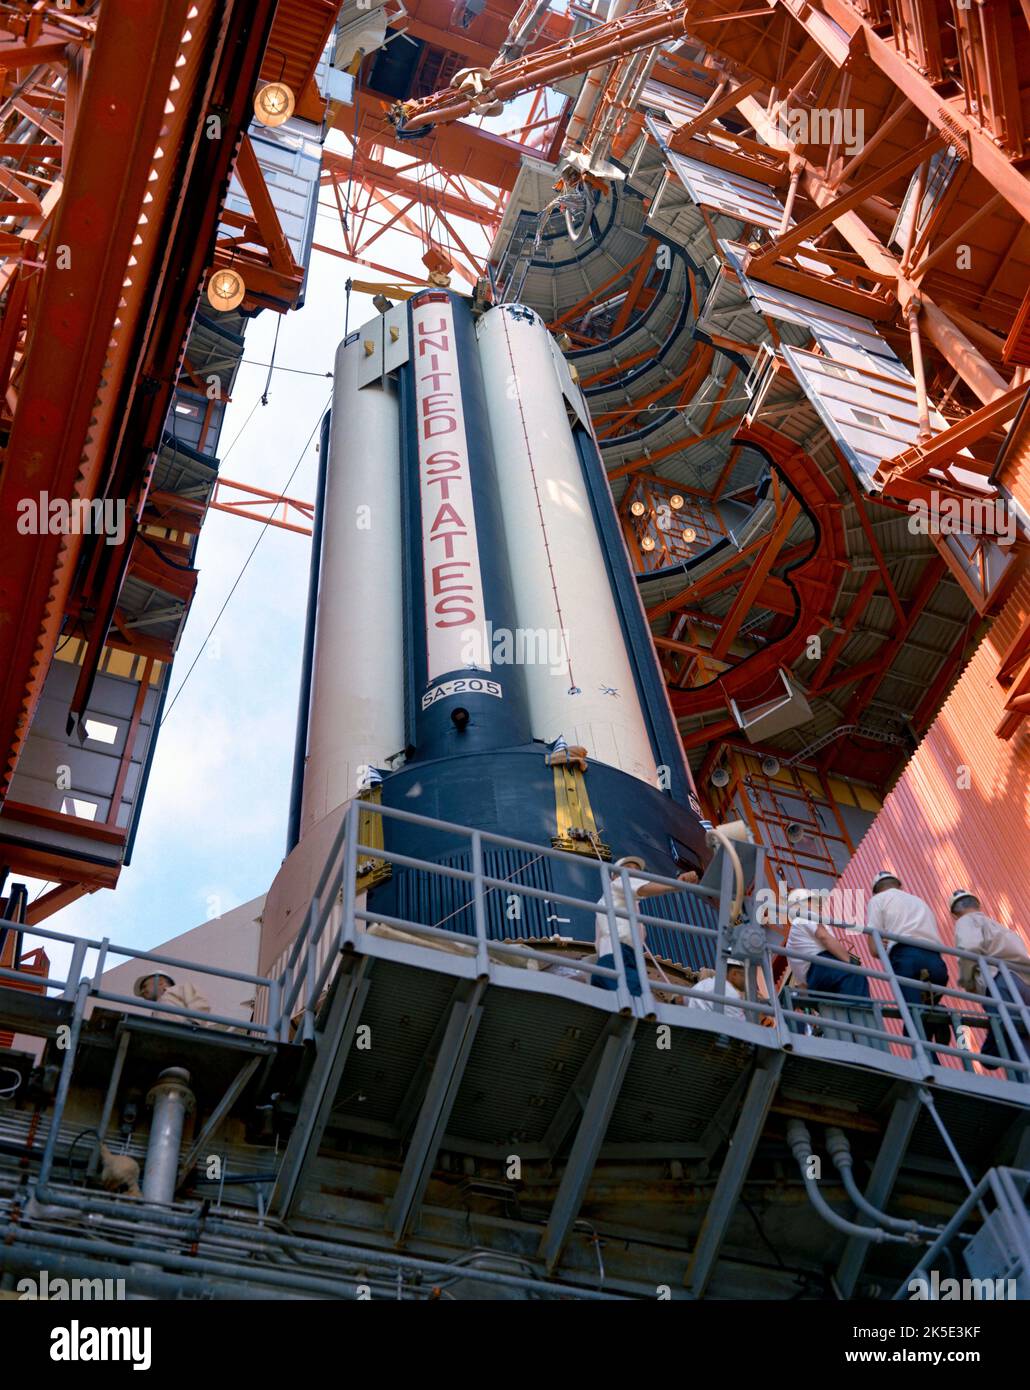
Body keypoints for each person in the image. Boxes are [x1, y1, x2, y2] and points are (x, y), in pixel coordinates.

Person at [591, 855, 697, 997]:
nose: (633, 872)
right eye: (628, 868)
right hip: (618, 952)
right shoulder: (618, 883)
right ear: (615, 876)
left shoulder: (620, 906)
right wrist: (677, 884)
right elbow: (643, 889)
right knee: (636, 994)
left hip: (618, 955)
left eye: (637, 870)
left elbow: (598, 940)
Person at [866, 871, 950, 1049]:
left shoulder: (878, 901)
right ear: (899, 885)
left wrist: (884, 945)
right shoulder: (920, 902)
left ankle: (929, 1066)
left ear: (876, 891)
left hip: (906, 957)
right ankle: (938, 1012)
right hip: (936, 961)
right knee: (923, 1013)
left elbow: (874, 948)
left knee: (913, 1024)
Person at [949, 890, 1030, 1063]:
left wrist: (966, 980)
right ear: (978, 905)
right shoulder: (1000, 927)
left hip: (1001, 981)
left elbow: (969, 948)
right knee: (1023, 1031)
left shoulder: (965, 921)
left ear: (954, 915)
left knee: (1009, 1029)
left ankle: (991, 1055)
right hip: (1025, 982)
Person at [785, 886, 870, 998]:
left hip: (814, 985)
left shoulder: (790, 945)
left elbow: (801, 985)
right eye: (814, 901)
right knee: (855, 976)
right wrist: (850, 962)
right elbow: (823, 936)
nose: (819, 906)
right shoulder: (803, 916)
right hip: (824, 966)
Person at [133, 971, 212, 1022]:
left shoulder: (181, 988)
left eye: (144, 986)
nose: (142, 992)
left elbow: (200, 1004)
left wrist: (193, 1024)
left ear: (160, 981)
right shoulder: (155, 1012)